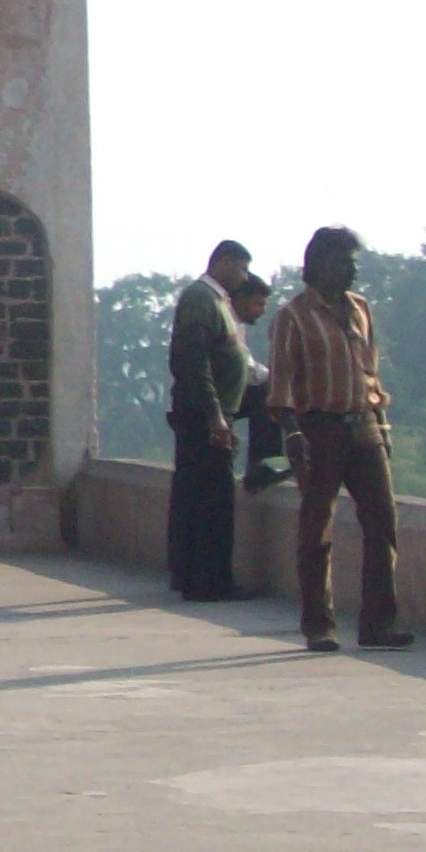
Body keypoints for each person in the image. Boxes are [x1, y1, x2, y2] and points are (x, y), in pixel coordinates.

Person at [267, 226, 413, 654]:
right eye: (343, 262)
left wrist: (382, 426)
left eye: (353, 262)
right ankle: (319, 625)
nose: (351, 270)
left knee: (382, 522)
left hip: (363, 423)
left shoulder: (360, 308)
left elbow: (370, 372)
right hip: (319, 427)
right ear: (317, 265)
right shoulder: (293, 316)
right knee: (317, 528)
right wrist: (293, 433)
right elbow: (282, 383)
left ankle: (379, 623)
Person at [164, 244, 274, 601]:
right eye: (242, 270)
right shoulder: (201, 299)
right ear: (224, 263)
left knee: (196, 496)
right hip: (204, 413)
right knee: (214, 500)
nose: (244, 278)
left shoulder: (216, 302)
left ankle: (190, 575)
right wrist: (215, 416)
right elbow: (194, 362)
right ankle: (211, 581)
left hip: (209, 410)